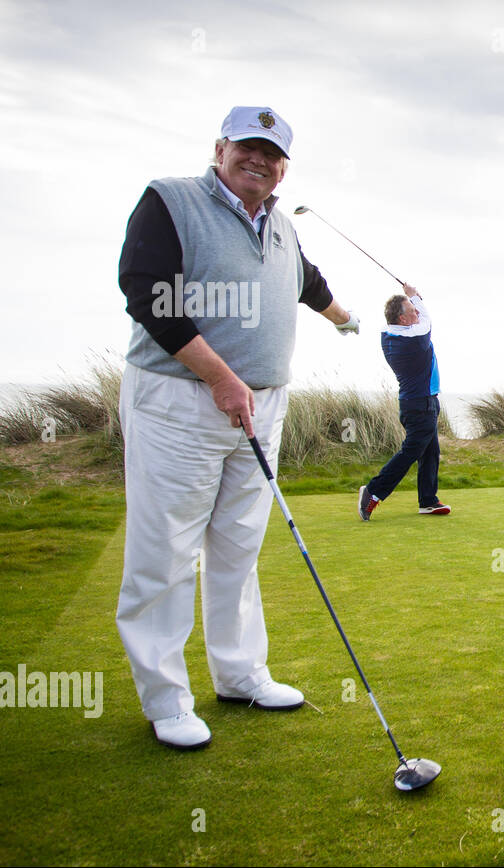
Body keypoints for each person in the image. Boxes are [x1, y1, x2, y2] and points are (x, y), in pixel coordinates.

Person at [116, 106, 361, 750]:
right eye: (248, 147)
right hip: (180, 400)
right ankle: (168, 700)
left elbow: (306, 282)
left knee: (239, 545)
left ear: (283, 168)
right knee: (164, 552)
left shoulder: (279, 224)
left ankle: (240, 673)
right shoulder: (171, 200)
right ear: (221, 147)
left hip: (263, 406)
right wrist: (220, 375)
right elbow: (146, 293)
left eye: (273, 153)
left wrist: (346, 318)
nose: (260, 160)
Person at [357, 283, 450, 520]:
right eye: (411, 310)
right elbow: (427, 321)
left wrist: (413, 299)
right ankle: (373, 492)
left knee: (430, 451)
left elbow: (420, 320)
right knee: (410, 452)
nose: (416, 313)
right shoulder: (413, 338)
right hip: (419, 406)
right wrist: (415, 297)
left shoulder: (391, 333)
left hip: (421, 403)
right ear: (402, 318)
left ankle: (428, 500)